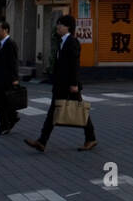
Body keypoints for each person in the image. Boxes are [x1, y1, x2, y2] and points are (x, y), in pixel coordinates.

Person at [25, 15, 97, 152]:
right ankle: (42, 141)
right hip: (61, 84)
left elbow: (75, 64)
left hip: (69, 85)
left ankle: (90, 138)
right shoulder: (62, 42)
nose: (58, 27)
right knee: (54, 112)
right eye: (58, 24)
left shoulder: (72, 42)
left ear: (68, 27)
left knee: (80, 111)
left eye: (61, 25)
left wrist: (74, 84)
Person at [0, 21, 21, 134]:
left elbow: (13, 62)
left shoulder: (10, 44)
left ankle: (6, 124)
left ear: (5, 30)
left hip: (6, 80)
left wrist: (15, 79)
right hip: (0, 79)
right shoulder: (1, 44)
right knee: (3, 103)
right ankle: (12, 118)